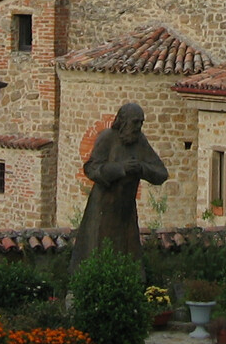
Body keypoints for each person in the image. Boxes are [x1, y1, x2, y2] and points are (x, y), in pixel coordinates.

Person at [69, 102, 168, 272]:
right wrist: (120, 168)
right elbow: (91, 169)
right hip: (103, 208)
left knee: (128, 257)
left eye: (141, 123)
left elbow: (161, 173)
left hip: (126, 210)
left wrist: (141, 168)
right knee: (98, 253)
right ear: (123, 121)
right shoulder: (107, 138)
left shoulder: (140, 141)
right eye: (135, 122)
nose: (138, 127)